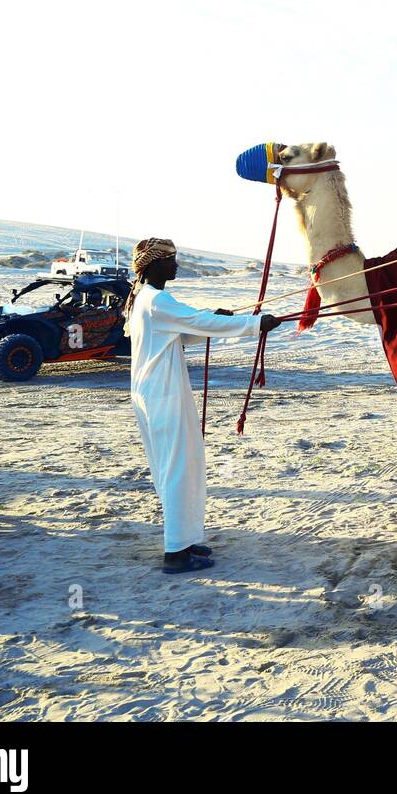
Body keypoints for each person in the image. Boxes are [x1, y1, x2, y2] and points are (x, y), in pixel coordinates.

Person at [123, 238, 279, 575]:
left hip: (157, 393)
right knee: (178, 468)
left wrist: (212, 318)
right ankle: (175, 555)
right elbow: (198, 323)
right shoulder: (157, 300)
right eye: (171, 260)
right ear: (154, 265)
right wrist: (254, 325)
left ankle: (184, 539)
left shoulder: (146, 300)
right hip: (163, 394)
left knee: (182, 465)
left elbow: (186, 330)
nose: (176, 265)